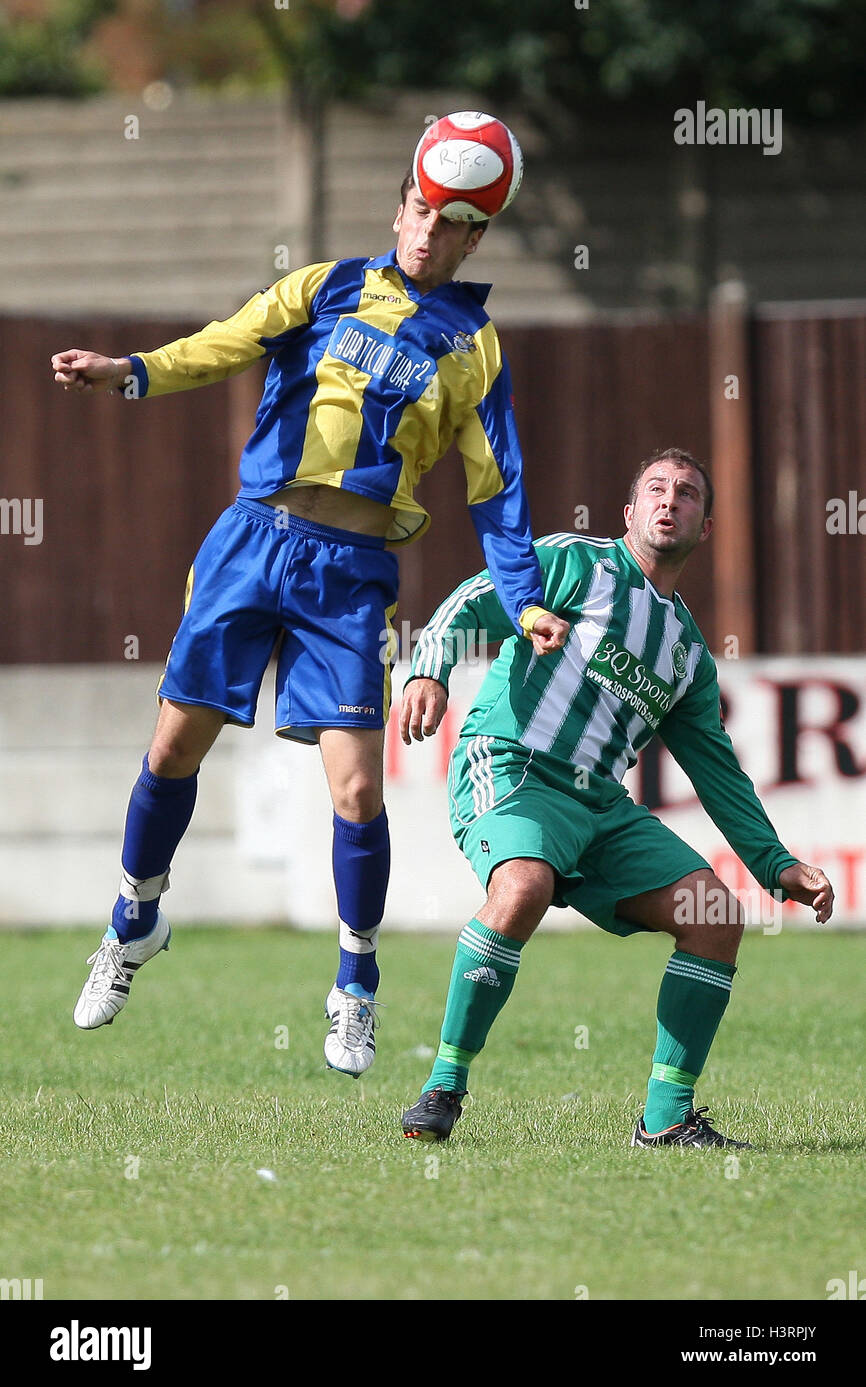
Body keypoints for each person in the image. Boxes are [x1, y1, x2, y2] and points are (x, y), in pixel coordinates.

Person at [50, 162, 569, 1077]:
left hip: (352, 577)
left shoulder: (476, 347)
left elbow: (499, 490)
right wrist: (131, 373)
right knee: (174, 750)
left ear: (474, 238)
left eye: (449, 226)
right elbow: (226, 342)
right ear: (400, 206)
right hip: (253, 541)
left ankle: (356, 989)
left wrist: (524, 597)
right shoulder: (326, 285)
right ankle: (133, 921)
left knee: (358, 794)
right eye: (417, 212)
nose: (425, 233)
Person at [399, 447, 834, 1146]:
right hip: (513, 766)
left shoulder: (688, 653)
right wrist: (429, 671)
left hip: (599, 806)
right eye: (656, 489)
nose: (670, 501)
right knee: (523, 886)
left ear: (706, 527)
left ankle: (665, 1122)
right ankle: (443, 1087)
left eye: (688, 494)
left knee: (715, 914)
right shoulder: (578, 564)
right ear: (628, 513)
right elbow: (473, 598)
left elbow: (716, 771)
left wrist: (777, 864)